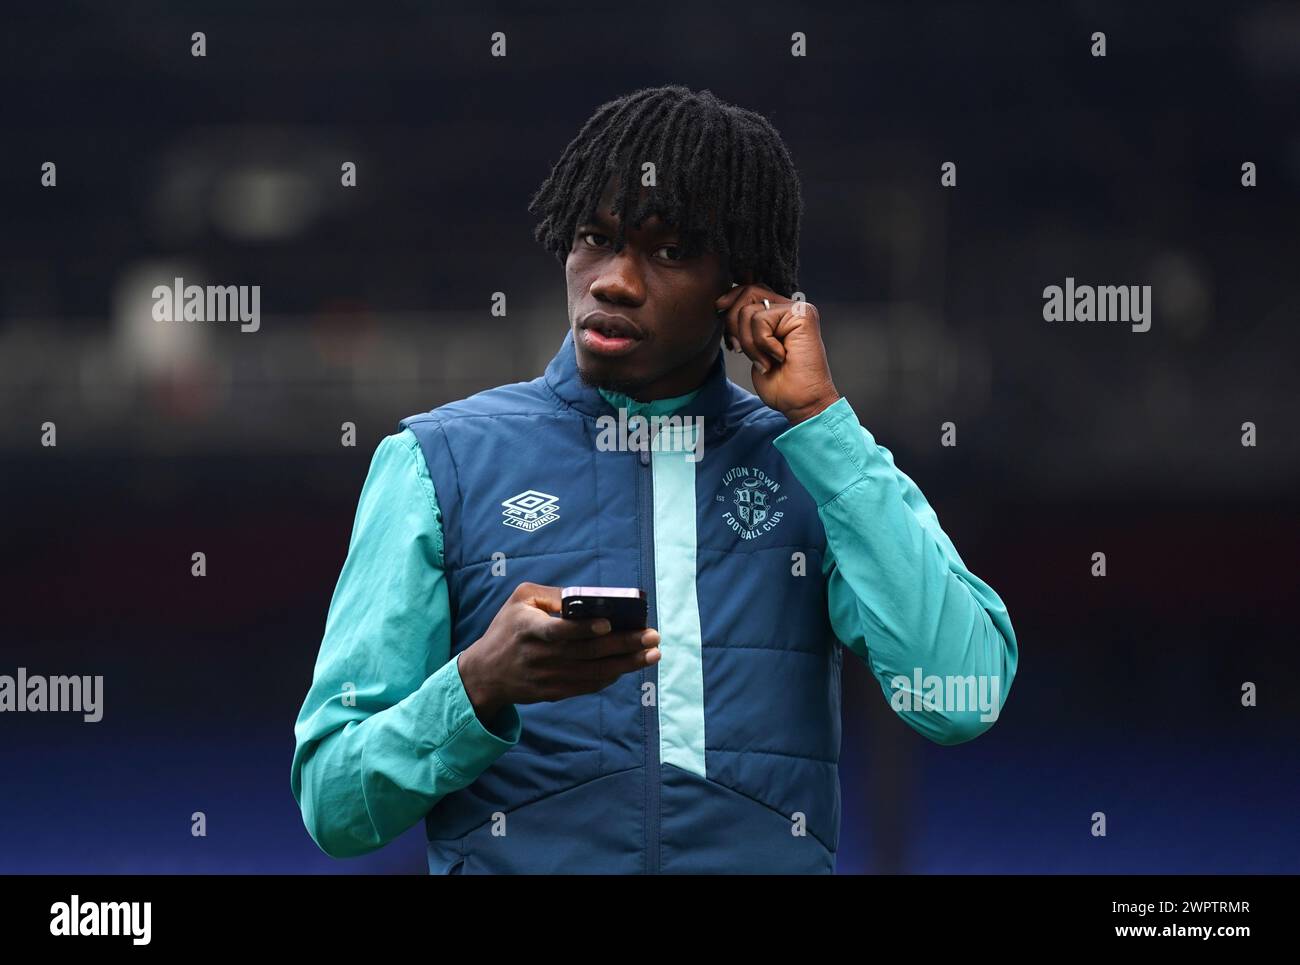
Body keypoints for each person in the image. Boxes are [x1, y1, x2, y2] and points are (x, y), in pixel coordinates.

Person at [290, 84, 1018, 873]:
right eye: (595, 237)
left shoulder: (814, 460)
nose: (614, 280)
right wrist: (478, 682)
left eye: (669, 252)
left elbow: (962, 695)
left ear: (742, 287)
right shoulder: (437, 462)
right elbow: (334, 802)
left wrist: (823, 423)